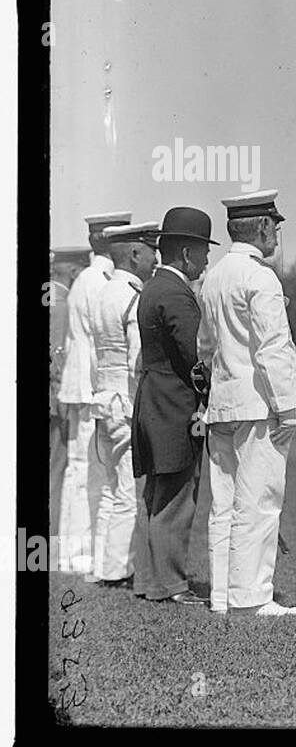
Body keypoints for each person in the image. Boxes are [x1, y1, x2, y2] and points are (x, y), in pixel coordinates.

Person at [199, 190, 296, 617]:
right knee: (259, 502)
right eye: (274, 225)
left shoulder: (214, 277)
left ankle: (222, 595)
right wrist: (288, 407)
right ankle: (252, 597)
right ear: (262, 226)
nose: (276, 233)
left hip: (222, 402)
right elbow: (273, 348)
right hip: (259, 404)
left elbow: (206, 347)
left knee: (224, 504)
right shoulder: (262, 278)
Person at [131, 207, 214, 605]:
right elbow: (196, 356)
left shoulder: (152, 287)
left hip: (152, 401)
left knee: (155, 496)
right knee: (176, 498)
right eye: (204, 252)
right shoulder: (178, 295)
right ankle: (172, 586)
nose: (206, 260)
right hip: (175, 407)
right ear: (186, 253)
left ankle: (149, 580)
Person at [57, 212, 130, 573]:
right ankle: (80, 553)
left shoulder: (86, 278)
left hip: (80, 386)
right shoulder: (99, 280)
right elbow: (102, 342)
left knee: (80, 470)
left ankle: (73, 552)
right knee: (89, 473)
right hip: (90, 388)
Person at [88, 222, 157, 586]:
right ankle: (119, 570)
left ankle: (104, 565)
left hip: (102, 400)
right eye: (151, 251)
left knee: (111, 489)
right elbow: (138, 360)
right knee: (128, 493)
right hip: (125, 402)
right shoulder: (133, 295)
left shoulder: (102, 293)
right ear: (134, 254)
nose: (155, 259)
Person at [48, 247, 89, 529]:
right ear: (74, 272)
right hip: (54, 402)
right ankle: (48, 537)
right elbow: (58, 357)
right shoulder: (61, 304)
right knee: (55, 469)